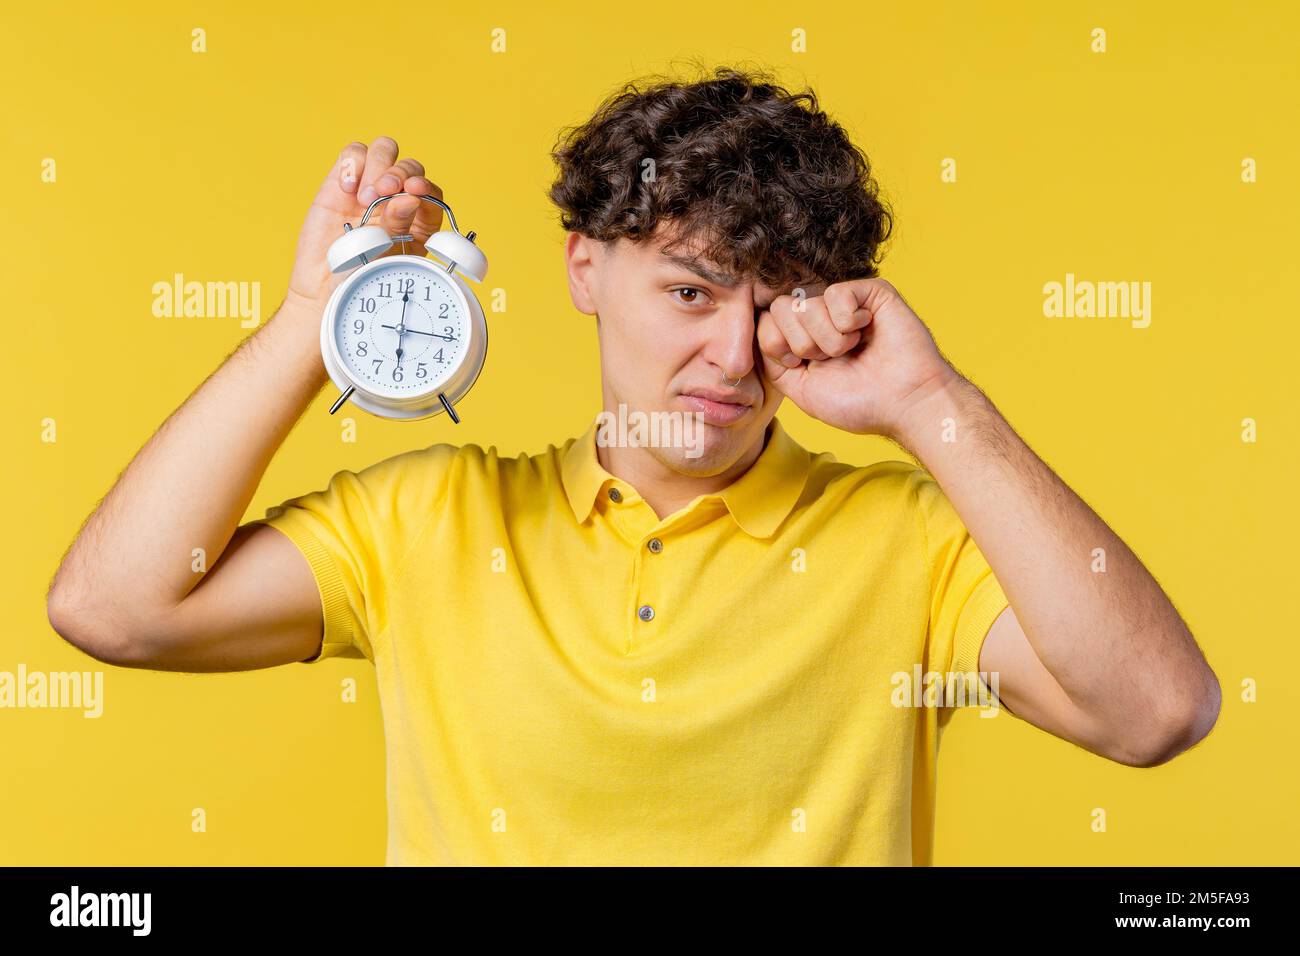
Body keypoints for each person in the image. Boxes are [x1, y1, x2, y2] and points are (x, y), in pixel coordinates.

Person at [46, 66, 1220, 866]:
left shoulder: (906, 536)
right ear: (582, 269)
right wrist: (317, 312)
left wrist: (929, 399)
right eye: (689, 291)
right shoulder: (430, 518)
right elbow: (114, 606)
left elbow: (1157, 710)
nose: (730, 351)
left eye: (771, 304)